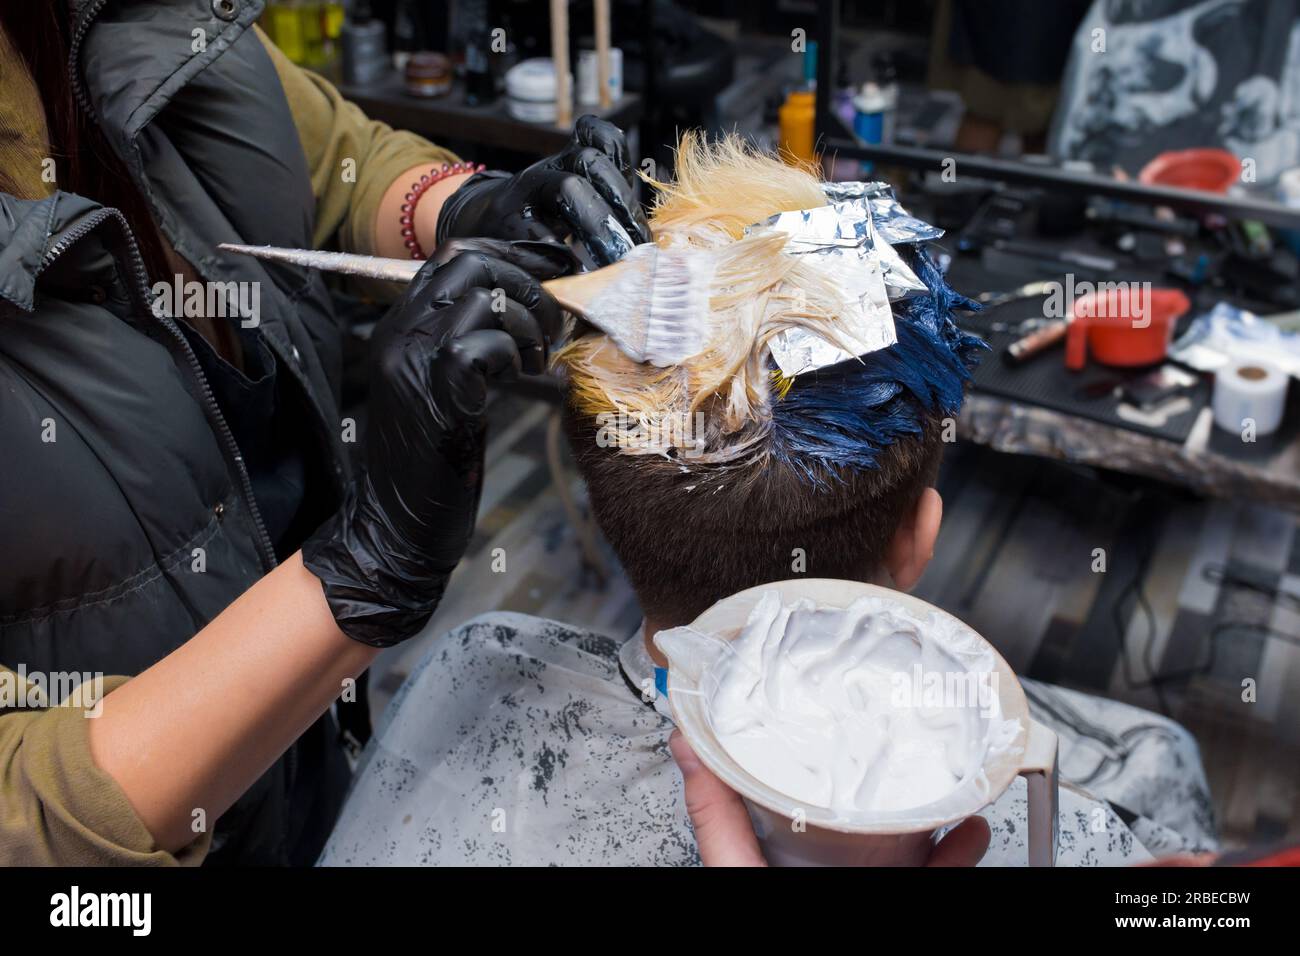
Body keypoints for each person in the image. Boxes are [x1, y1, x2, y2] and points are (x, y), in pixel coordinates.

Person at [320, 134, 1215, 866]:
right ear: (921, 539)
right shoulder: (1068, 841)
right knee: (1161, 753)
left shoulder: (470, 670)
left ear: (597, 506)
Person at [0, 0, 648, 865]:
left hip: (310, 746)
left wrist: (468, 211)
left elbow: (337, 157)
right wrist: (354, 578)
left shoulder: (119, 14)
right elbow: (26, 821)